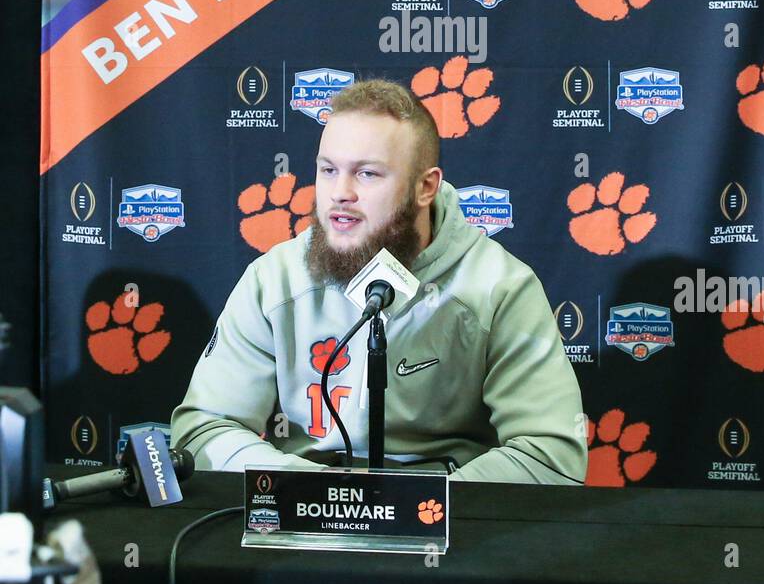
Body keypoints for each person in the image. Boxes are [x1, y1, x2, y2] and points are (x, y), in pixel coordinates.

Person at [171, 79, 587, 485]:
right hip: (307, 520)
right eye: (328, 170)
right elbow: (203, 432)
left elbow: (551, 458)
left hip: (451, 532)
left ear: (426, 187)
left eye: (367, 174)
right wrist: (327, 496)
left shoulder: (501, 288)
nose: (340, 193)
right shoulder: (274, 280)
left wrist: (415, 509)